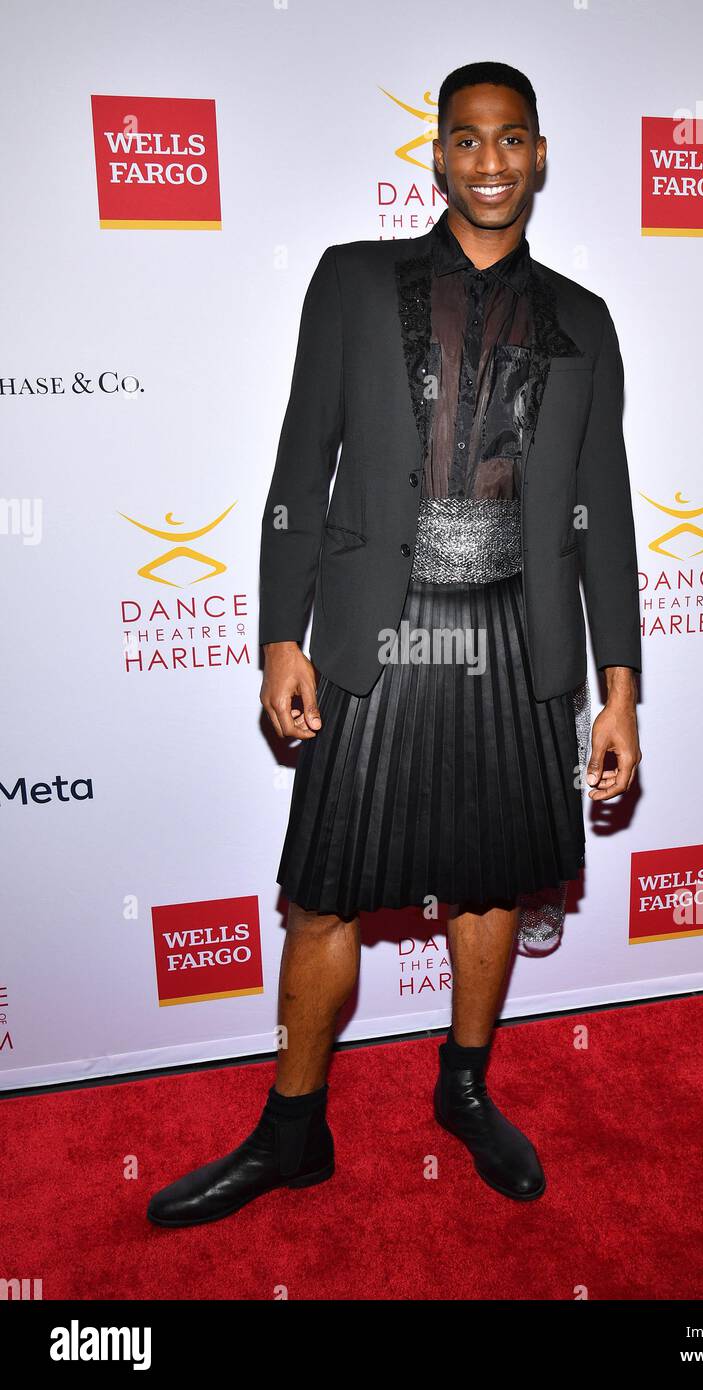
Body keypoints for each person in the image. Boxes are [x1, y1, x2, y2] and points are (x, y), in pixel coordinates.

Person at [147, 61, 642, 1226]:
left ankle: (463, 1090)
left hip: (518, 642)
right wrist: (280, 631)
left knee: (485, 889)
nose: (489, 161)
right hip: (381, 626)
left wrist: (619, 690)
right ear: (436, 154)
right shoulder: (353, 282)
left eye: (510, 138)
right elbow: (296, 469)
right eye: (465, 140)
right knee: (322, 896)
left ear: (538, 153)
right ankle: (292, 1130)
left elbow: (603, 511)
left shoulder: (584, 318)